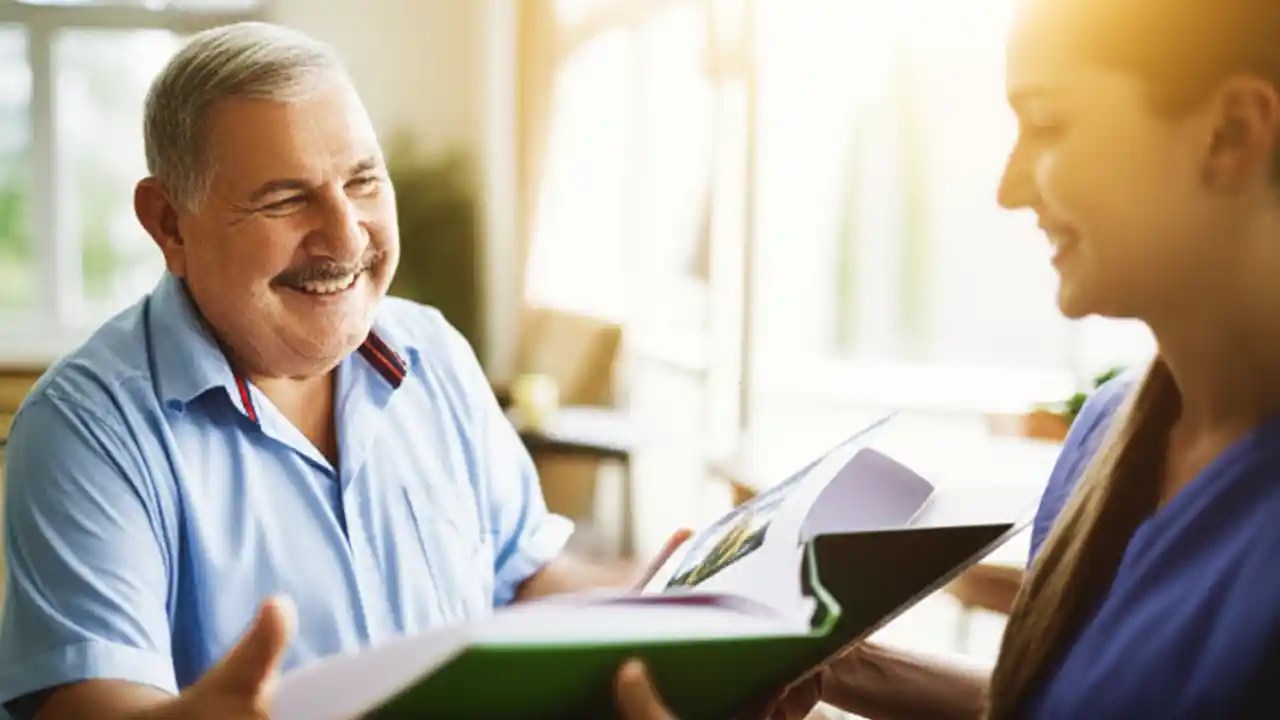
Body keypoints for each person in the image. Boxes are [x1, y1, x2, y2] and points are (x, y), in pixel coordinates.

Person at [615, 0, 1280, 716]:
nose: (1008, 187)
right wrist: (828, 659)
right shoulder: (1106, 437)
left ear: (1231, 132)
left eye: (1048, 125)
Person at [0, 22, 682, 720]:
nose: (347, 235)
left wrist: (676, 618)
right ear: (170, 224)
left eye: (362, 181)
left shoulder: (434, 354)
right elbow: (88, 701)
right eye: (286, 199)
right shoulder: (84, 426)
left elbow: (528, 577)